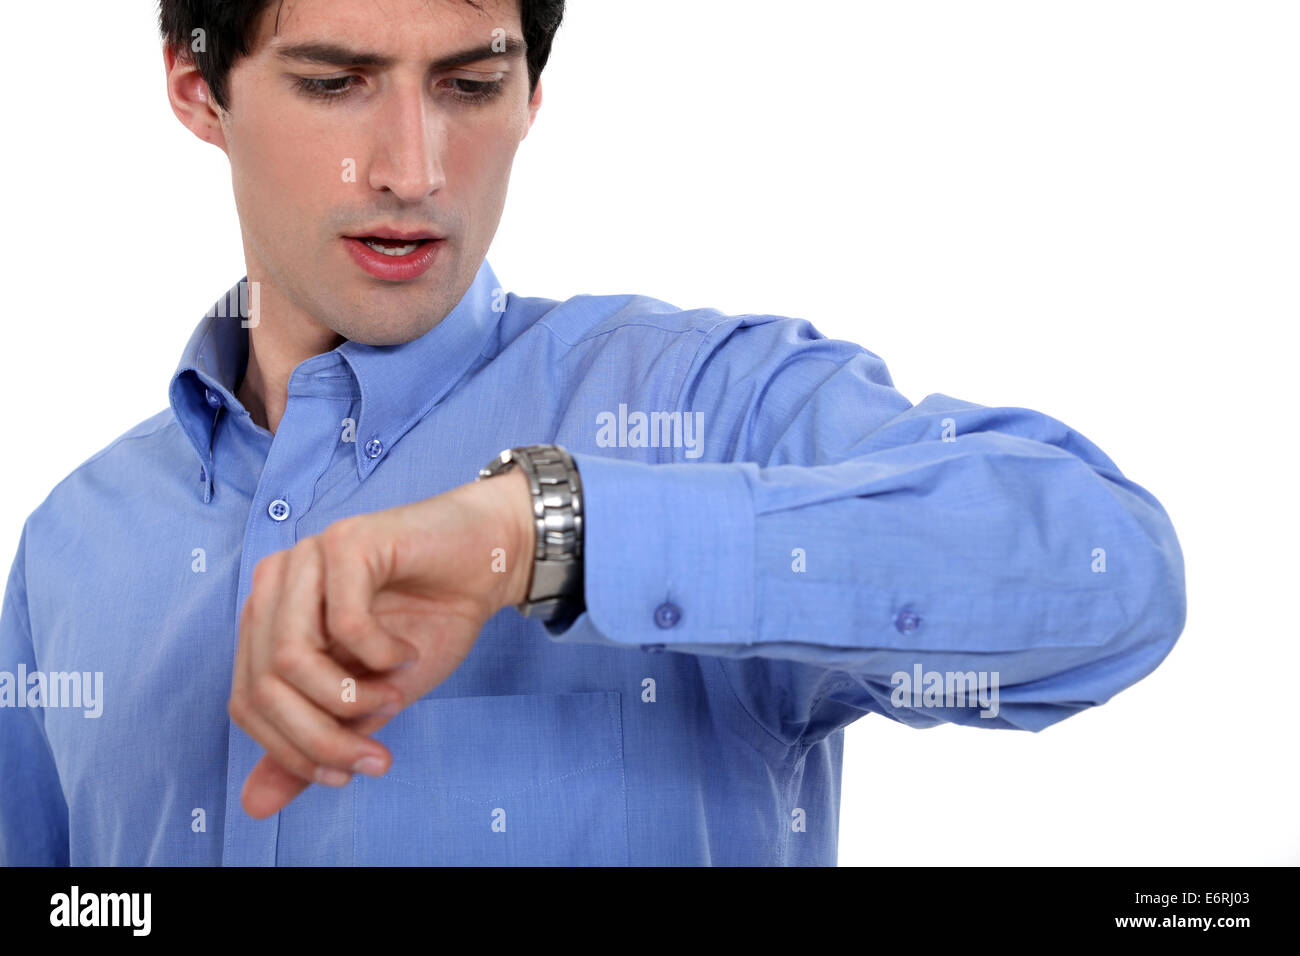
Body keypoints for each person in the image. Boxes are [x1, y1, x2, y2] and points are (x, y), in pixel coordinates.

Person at [0, 0, 1186, 866]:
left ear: (531, 92)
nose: (413, 169)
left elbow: (1110, 574)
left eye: (469, 83)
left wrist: (548, 533)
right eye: (336, 82)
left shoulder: (700, 407)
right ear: (195, 88)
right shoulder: (68, 546)